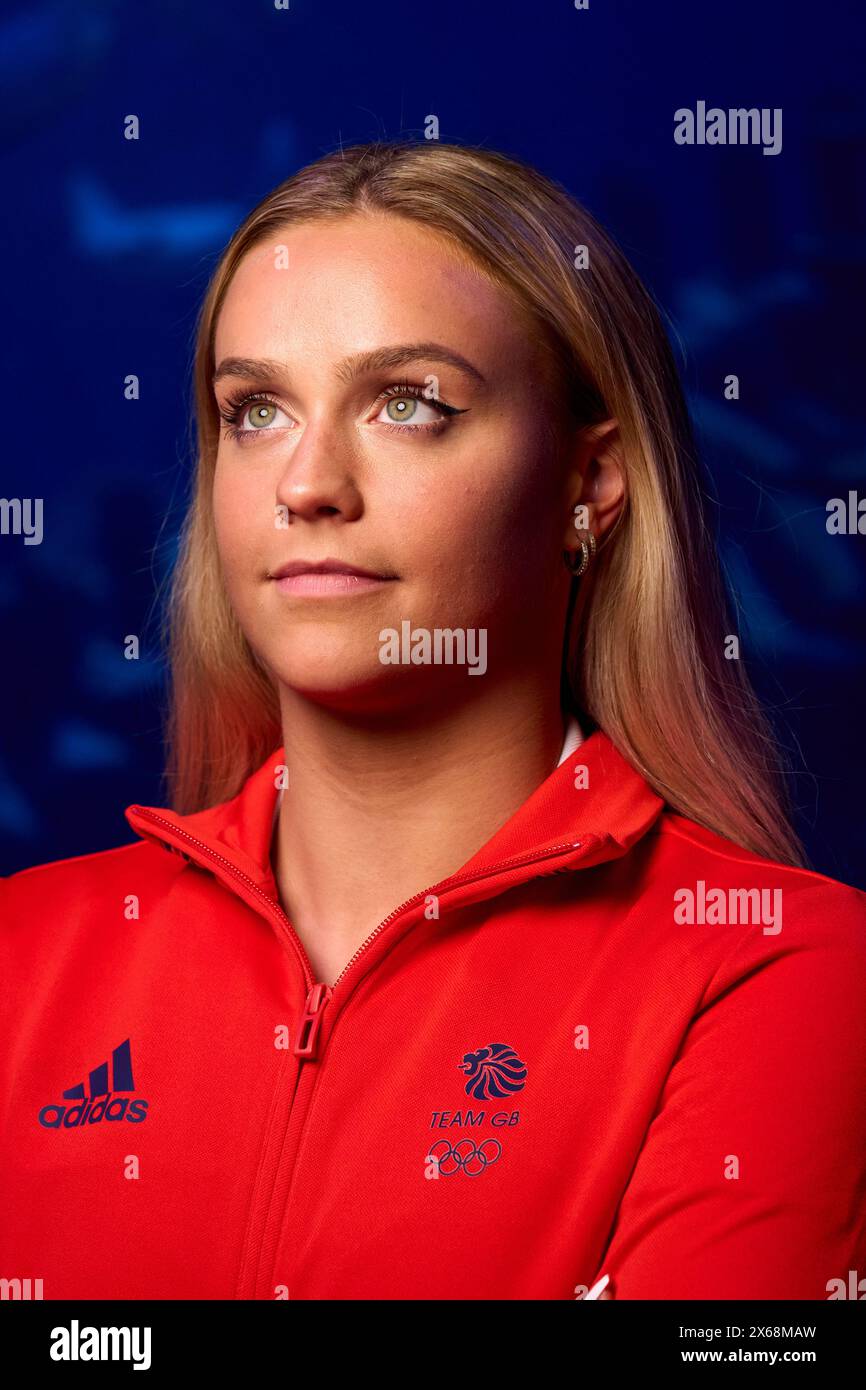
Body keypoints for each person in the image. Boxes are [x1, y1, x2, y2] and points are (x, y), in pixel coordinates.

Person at [1, 140, 864, 1302]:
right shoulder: (23, 952)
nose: (306, 484)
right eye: (255, 410)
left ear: (589, 485)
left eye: (407, 403)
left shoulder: (778, 971)